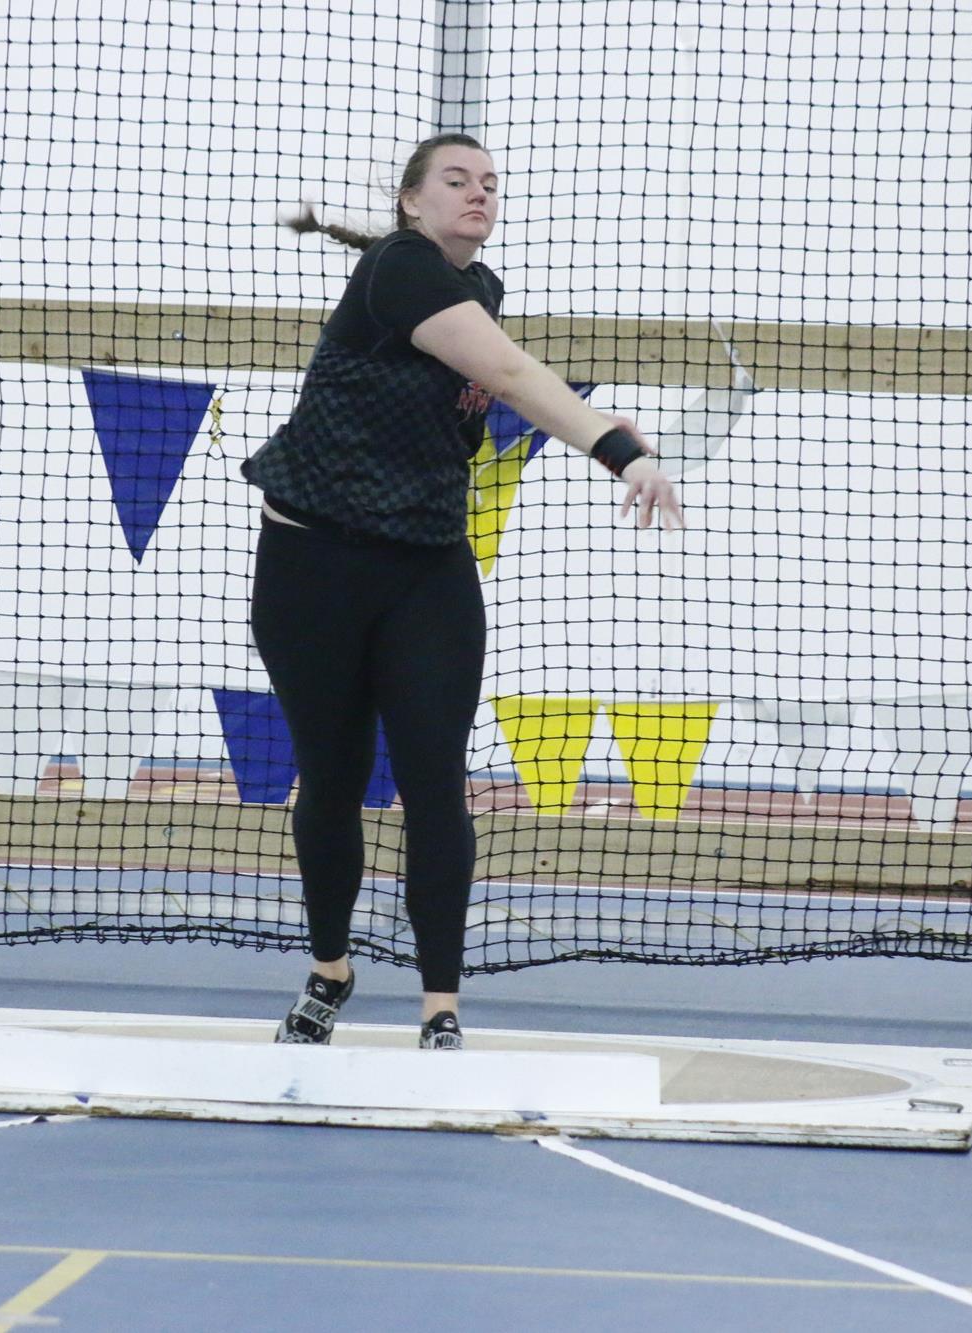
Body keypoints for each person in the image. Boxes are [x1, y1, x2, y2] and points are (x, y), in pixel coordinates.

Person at [241, 133, 685, 1051]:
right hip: (311, 569)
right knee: (331, 777)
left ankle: (439, 1004)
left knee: (435, 781)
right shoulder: (398, 269)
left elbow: (495, 384)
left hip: (424, 569)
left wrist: (589, 416)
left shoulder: (481, 290)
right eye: (455, 180)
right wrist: (618, 449)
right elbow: (514, 373)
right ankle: (330, 971)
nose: (479, 193)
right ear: (411, 202)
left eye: (490, 183)